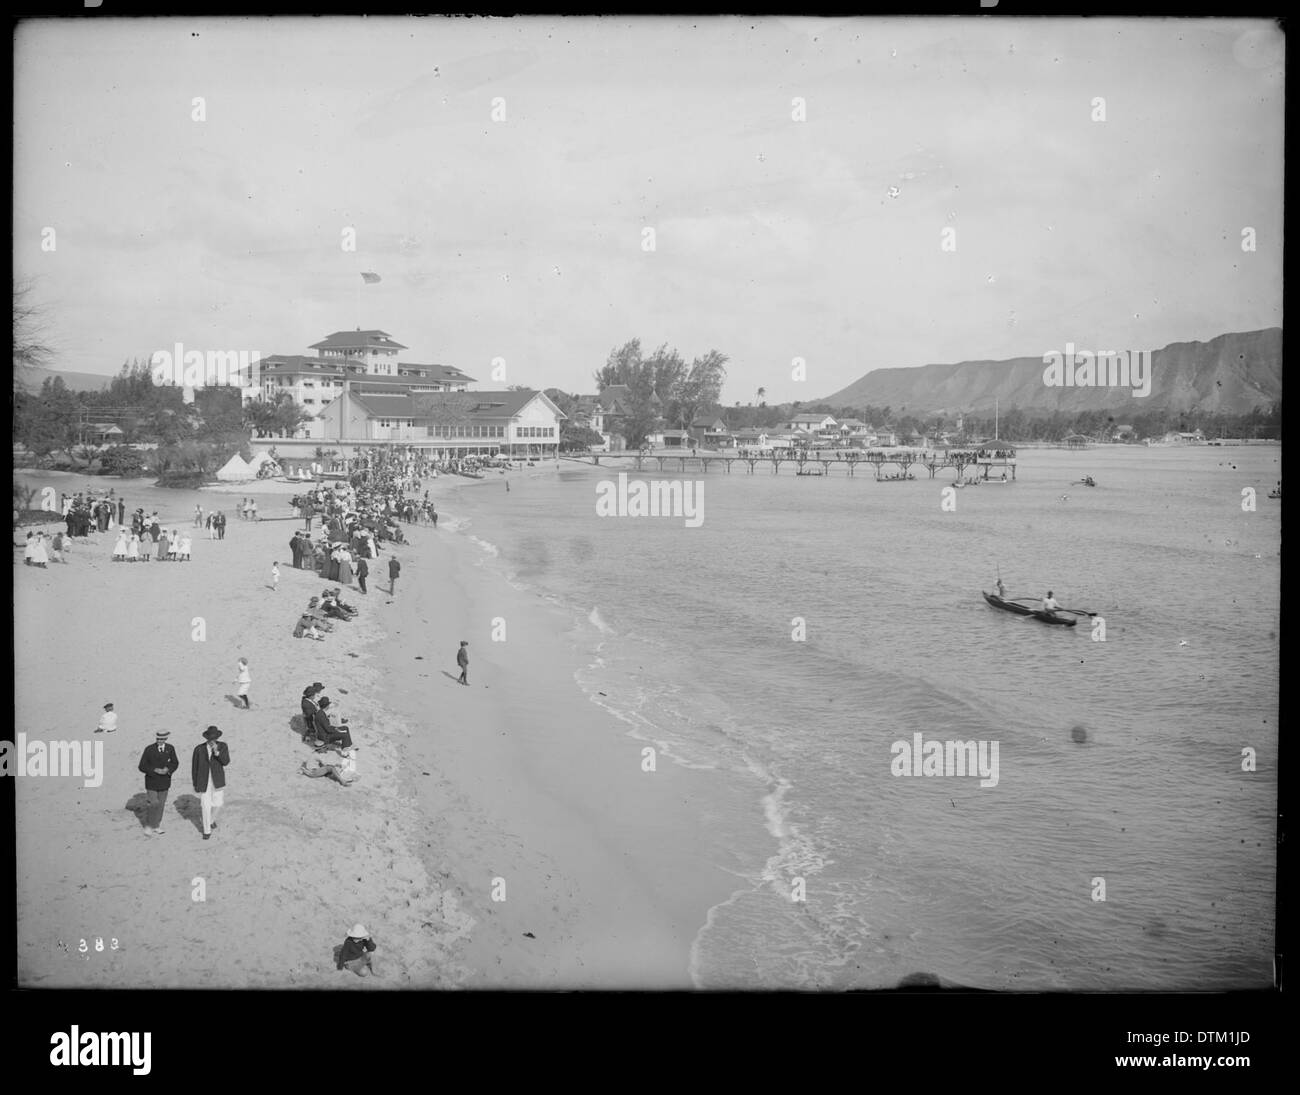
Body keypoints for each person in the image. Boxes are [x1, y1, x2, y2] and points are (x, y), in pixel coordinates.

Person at [137, 731, 179, 836]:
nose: (159, 741)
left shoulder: (170, 748)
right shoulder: (149, 749)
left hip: (164, 781)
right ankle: (150, 826)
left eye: (162, 739)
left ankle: (156, 825)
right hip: (151, 781)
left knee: (160, 804)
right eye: (158, 739)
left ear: (165, 739)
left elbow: (175, 762)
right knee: (154, 803)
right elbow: (142, 766)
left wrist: (168, 769)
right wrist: (154, 770)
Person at [191, 726, 229, 840]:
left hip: (217, 780)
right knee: (205, 806)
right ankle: (206, 830)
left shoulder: (222, 746)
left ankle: (211, 820)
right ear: (207, 738)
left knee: (218, 803)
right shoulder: (198, 749)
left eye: (214, 738)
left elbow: (226, 761)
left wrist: (217, 752)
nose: (212, 740)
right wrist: (195, 783)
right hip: (203, 781)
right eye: (210, 738)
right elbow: (194, 767)